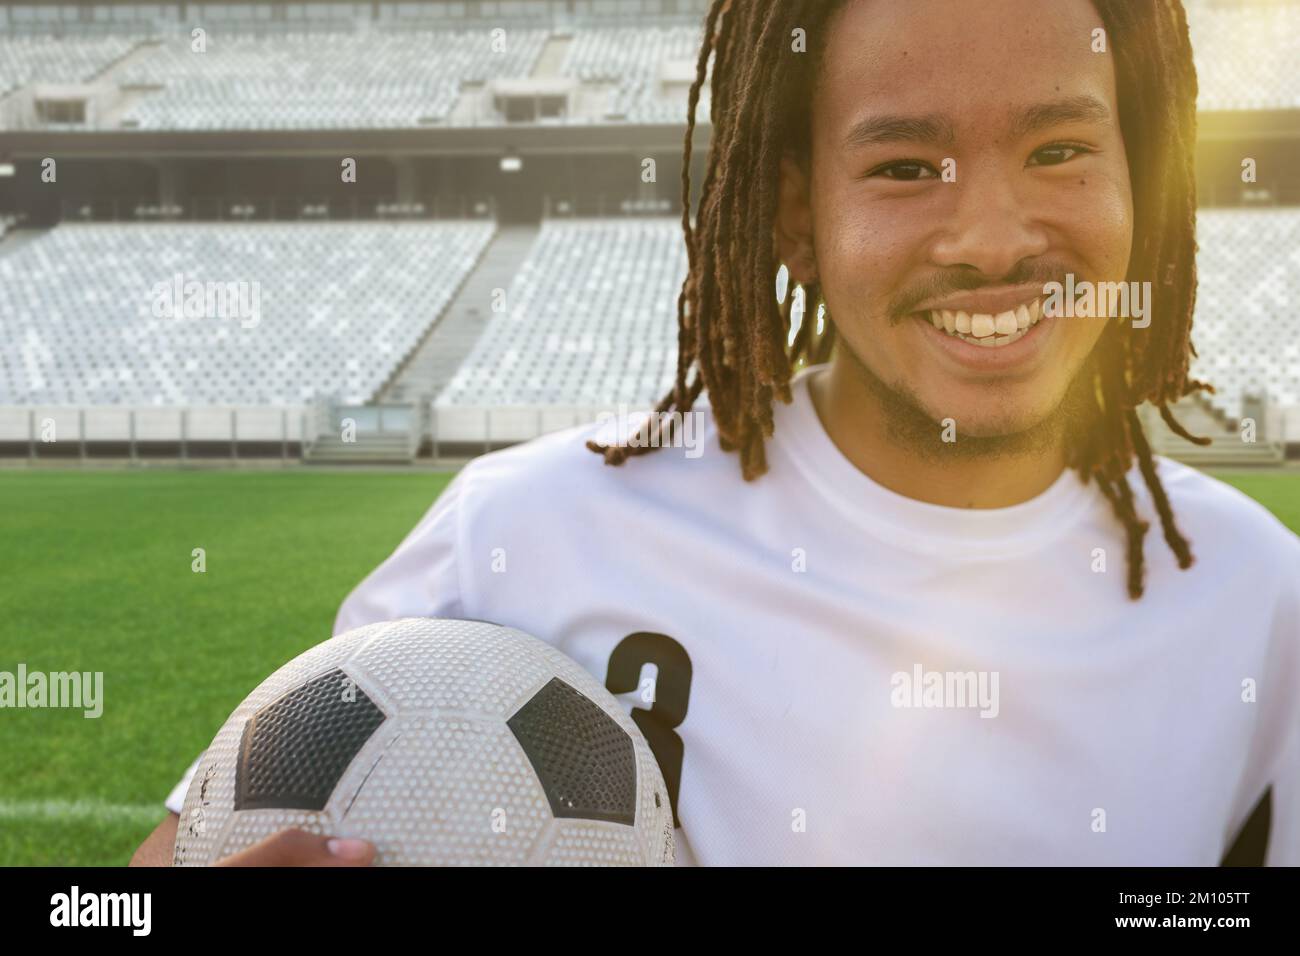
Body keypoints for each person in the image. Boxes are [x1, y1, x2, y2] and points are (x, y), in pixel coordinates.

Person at [132, 0, 1299, 867]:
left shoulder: (1258, 603)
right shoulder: (523, 535)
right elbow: (174, 863)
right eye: (902, 166)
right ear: (798, 219)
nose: (991, 237)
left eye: (1057, 150)